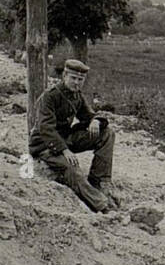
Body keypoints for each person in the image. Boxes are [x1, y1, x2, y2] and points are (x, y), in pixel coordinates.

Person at [29, 59, 120, 213]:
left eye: (80, 79)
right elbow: (46, 129)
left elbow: (88, 114)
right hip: (45, 145)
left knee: (107, 133)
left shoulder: (77, 96)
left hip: (65, 139)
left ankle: (98, 180)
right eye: (73, 78)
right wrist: (64, 150)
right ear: (64, 76)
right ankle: (101, 205)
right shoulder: (50, 97)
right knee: (72, 168)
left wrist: (95, 121)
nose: (77, 83)